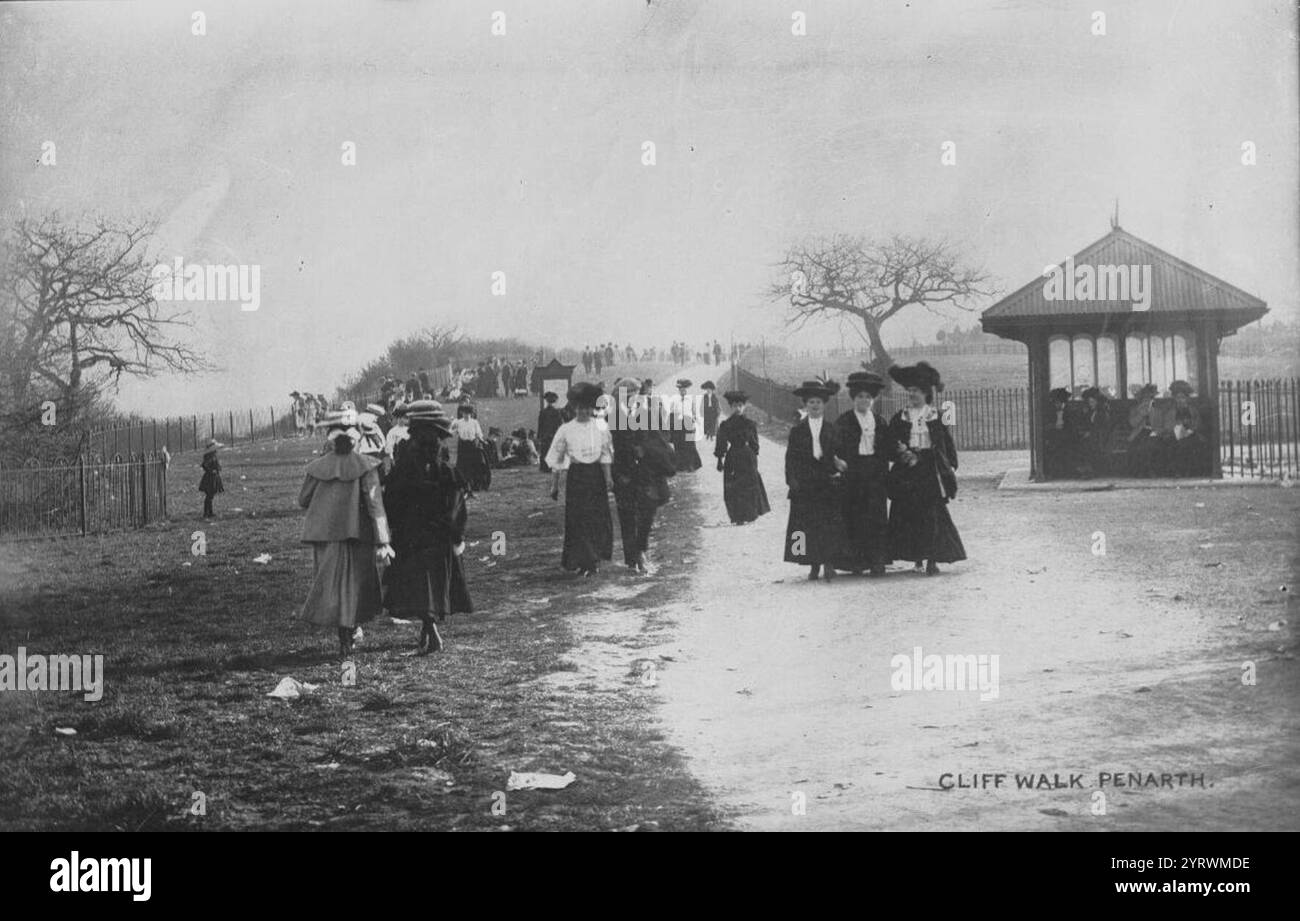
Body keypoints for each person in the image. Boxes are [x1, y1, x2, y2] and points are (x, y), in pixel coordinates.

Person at [298, 410, 392, 659]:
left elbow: (303, 499)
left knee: (332, 585)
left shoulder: (317, 467)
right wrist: (384, 540)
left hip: (325, 534)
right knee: (354, 584)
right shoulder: (365, 465)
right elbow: (375, 506)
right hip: (357, 533)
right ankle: (350, 631)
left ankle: (344, 635)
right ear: (357, 437)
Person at [383, 400, 472, 654]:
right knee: (435, 579)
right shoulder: (442, 458)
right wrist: (455, 530)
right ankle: (428, 630)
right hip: (440, 529)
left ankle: (430, 632)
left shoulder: (407, 454)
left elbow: (394, 496)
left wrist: (394, 525)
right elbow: (455, 498)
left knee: (419, 581)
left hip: (413, 529)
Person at [885, 363, 966, 575]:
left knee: (930, 514)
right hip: (907, 471)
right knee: (908, 513)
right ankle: (916, 557)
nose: (912, 395)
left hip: (929, 470)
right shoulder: (900, 416)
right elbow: (890, 443)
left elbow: (945, 442)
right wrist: (902, 453)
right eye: (910, 391)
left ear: (926, 394)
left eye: (916, 392)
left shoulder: (935, 416)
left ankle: (932, 559)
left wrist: (949, 465)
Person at [545, 382, 614, 576]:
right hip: (577, 477)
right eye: (579, 408)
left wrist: (608, 477)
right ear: (574, 408)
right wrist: (555, 486)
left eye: (587, 408)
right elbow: (556, 459)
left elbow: (606, 454)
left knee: (596, 518)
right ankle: (583, 561)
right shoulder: (566, 430)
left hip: (596, 477)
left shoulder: (601, 428)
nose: (583, 411)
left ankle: (594, 559)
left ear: (592, 408)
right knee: (578, 520)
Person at [783, 379, 846, 580]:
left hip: (827, 481)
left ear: (824, 404)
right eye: (811, 402)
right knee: (807, 524)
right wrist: (792, 480)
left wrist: (839, 467)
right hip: (806, 482)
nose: (815, 406)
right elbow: (790, 458)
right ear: (805, 405)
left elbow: (840, 454)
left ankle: (829, 562)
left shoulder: (833, 429)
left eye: (818, 402)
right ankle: (812, 564)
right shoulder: (798, 431)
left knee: (828, 523)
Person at [834, 371, 893, 575]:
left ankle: (877, 561)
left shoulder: (879, 421)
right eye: (860, 396)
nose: (864, 400)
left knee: (876, 517)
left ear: (873, 399)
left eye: (868, 397)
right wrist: (837, 461)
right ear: (853, 398)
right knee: (855, 516)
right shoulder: (844, 421)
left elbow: (887, 449)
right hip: (853, 472)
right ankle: (856, 562)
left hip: (875, 473)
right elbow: (832, 446)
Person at [714, 390, 770, 525]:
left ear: (744, 406)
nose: (738, 408)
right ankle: (737, 516)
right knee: (734, 487)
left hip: (747, 457)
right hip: (733, 457)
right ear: (731, 407)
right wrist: (720, 459)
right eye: (734, 406)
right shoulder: (726, 425)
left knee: (749, 485)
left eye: (740, 405)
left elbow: (755, 444)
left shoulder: (750, 424)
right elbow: (721, 443)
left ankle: (750, 514)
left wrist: (754, 457)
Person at [451, 404, 491, 492]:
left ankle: (475, 485)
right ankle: (463, 485)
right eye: (465, 413)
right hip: (463, 445)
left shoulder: (474, 422)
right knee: (462, 465)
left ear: (471, 414)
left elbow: (478, 434)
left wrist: (482, 441)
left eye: (468, 413)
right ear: (462, 413)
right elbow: (452, 432)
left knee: (475, 464)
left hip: (472, 445)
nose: (466, 415)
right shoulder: (458, 422)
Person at [1126, 383, 1160, 477]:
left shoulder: (1157, 410)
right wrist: (1141, 414)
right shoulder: (1135, 409)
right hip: (1138, 434)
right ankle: (1139, 471)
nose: (1147, 401)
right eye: (1145, 399)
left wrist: (1151, 412)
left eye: (1150, 398)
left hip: (1154, 434)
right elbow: (1132, 423)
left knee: (1149, 445)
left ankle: (1149, 470)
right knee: (1138, 446)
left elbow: (1159, 425)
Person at [669, 379, 703, 472]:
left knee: (690, 445)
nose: (683, 391)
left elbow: (695, 413)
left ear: (687, 389)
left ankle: (691, 465)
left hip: (688, 423)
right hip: (677, 424)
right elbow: (670, 413)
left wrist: (697, 424)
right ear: (678, 390)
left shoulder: (691, 399)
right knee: (679, 445)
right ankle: (680, 466)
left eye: (684, 389)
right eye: (681, 389)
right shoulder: (674, 399)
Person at [1077, 387, 1112, 477]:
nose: (1090, 404)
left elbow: (1102, 428)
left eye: (1092, 402)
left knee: (1087, 444)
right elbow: (1089, 424)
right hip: (1094, 436)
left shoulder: (1103, 413)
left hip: (1102, 438)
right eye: (1089, 402)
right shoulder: (1092, 412)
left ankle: (1090, 469)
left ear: (1098, 402)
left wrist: (1090, 433)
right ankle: (1087, 468)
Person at [537, 391, 564, 472]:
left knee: (544, 451)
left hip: (545, 435)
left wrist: (539, 436)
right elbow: (560, 424)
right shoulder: (557, 412)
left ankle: (544, 468)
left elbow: (540, 425)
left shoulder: (543, 412)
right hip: (554, 434)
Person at [199, 439, 225, 518]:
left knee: (210, 496)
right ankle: (207, 512)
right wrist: (211, 471)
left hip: (213, 477)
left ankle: (209, 512)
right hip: (210, 478)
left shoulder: (213, 456)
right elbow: (204, 465)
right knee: (209, 496)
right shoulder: (209, 457)